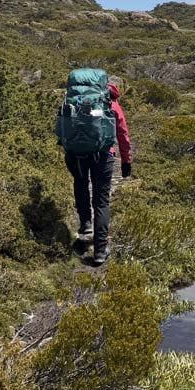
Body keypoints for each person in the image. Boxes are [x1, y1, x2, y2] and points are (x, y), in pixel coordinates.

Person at [57, 70, 132, 265]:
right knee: (101, 201)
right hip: (103, 156)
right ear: (104, 83)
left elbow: (60, 129)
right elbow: (122, 133)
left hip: (75, 154)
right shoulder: (110, 102)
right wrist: (126, 161)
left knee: (80, 186)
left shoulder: (71, 100)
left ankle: (86, 227)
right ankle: (100, 250)